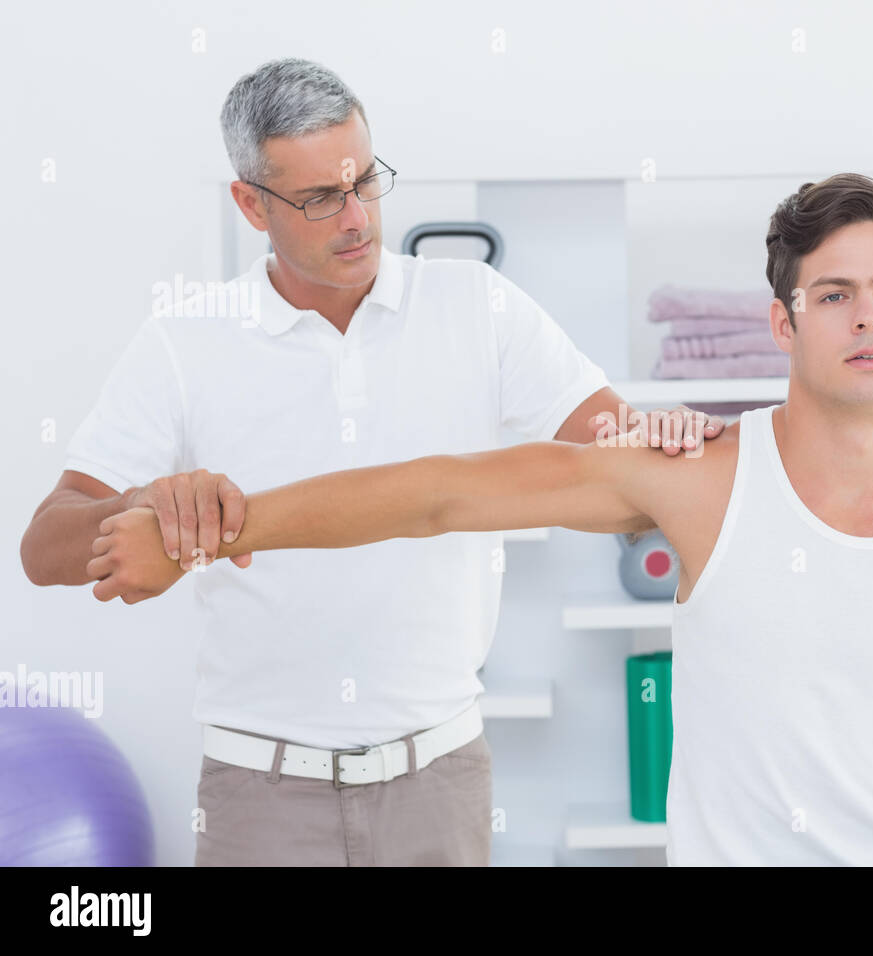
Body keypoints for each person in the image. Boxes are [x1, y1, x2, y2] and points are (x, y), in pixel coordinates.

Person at [88, 172, 873, 865]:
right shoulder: (693, 476)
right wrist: (217, 528)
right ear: (783, 324)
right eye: (833, 294)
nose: (868, 314)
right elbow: (443, 491)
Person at [19, 58, 725, 867]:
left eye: (366, 182)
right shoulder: (185, 342)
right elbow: (44, 548)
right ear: (250, 203)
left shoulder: (478, 307)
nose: (356, 217)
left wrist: (657, 443)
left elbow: (620, 459)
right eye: (320, 197)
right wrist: (151, 503)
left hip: (440, 783)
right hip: (259, 796)